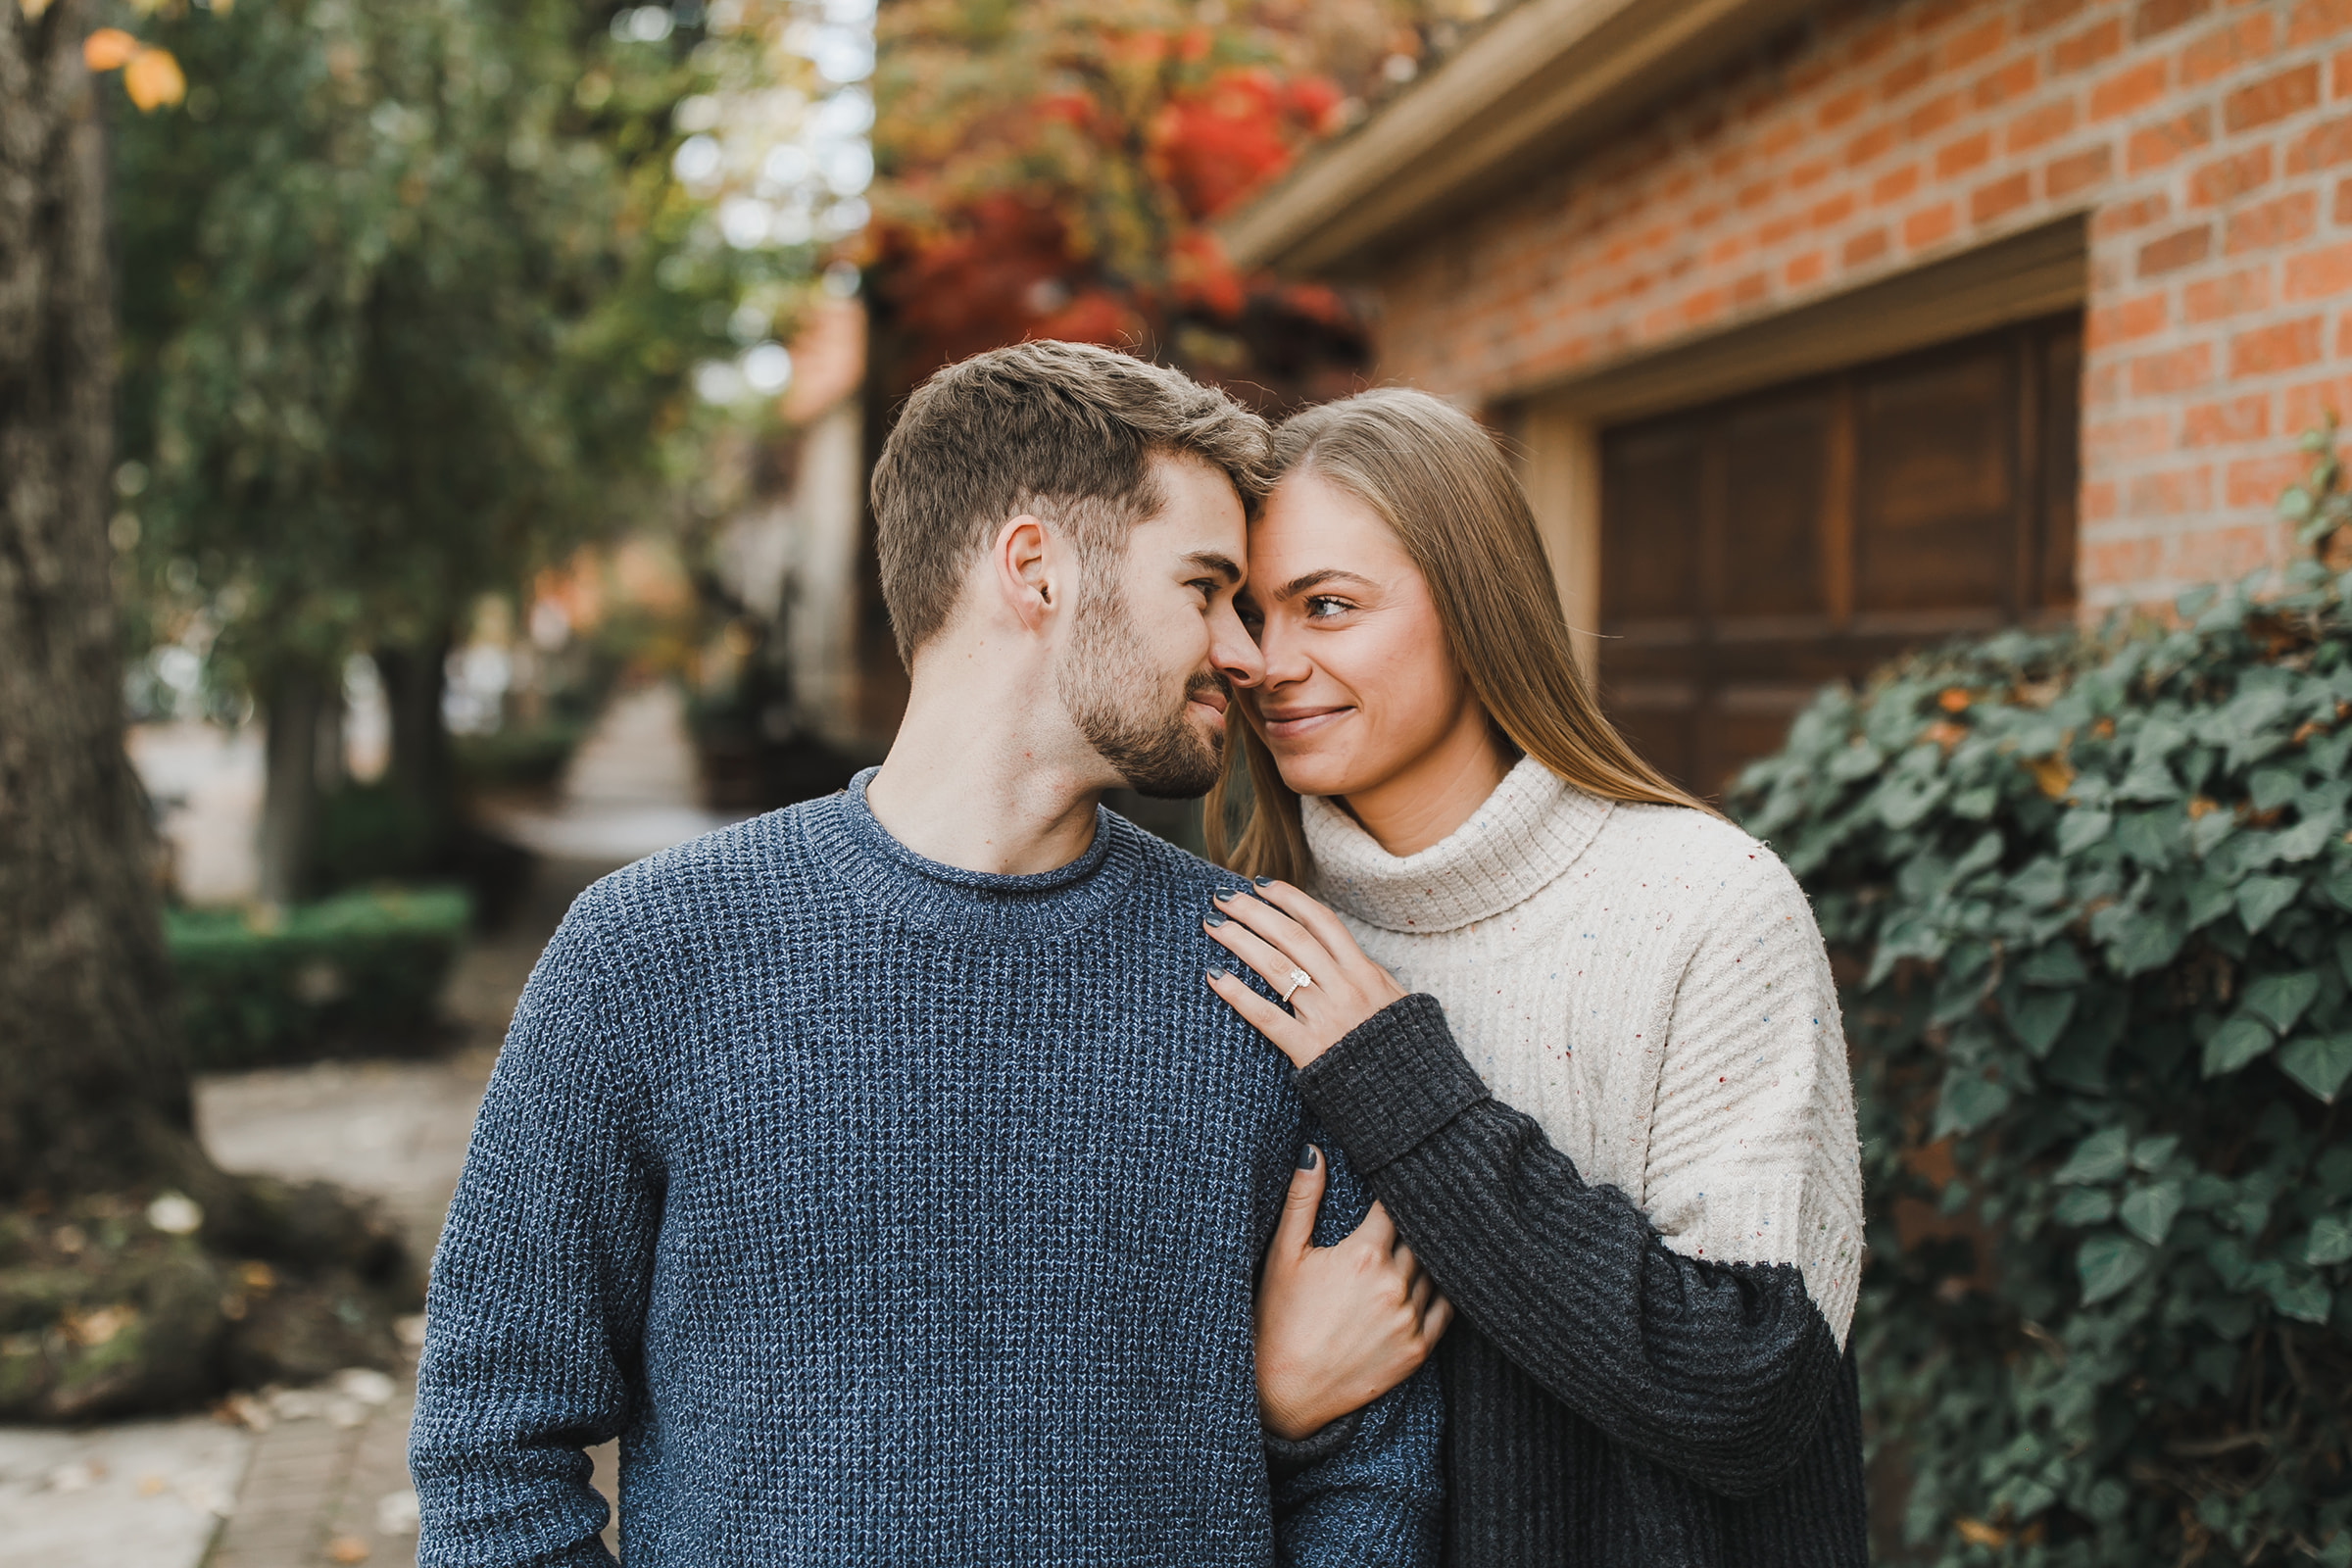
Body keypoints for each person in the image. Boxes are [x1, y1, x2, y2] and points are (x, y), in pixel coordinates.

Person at [408, 343, 1445, 1566]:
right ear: (1036, 569)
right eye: (1208, 587)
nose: (1251, 653)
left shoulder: (1270, 974)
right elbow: (492, 1449)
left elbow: (1376, 1472)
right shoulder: (651, 954)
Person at [1210, 387, 1868, 1567]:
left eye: (1329, 605)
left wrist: (1406, 1087)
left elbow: (1750, 1385)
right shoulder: (1257, 937)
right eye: (1250, 612)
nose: (1269, 661)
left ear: (1474, 606)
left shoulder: (1703, 903)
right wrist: (1270, 1404)